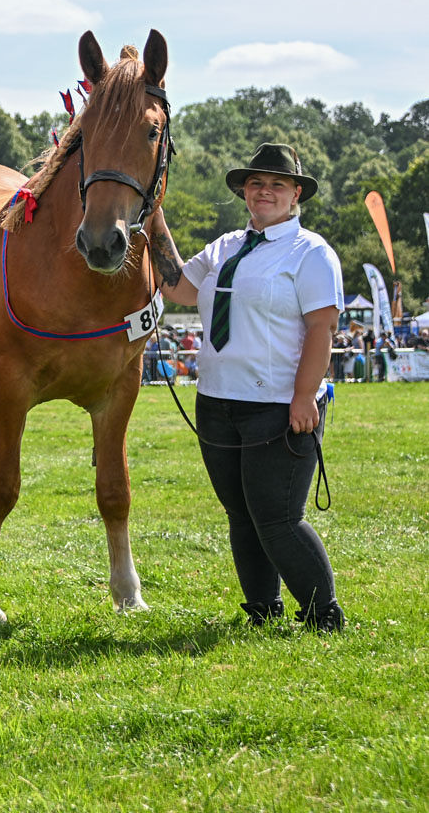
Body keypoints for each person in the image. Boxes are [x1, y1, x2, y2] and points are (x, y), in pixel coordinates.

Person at [151, 143, 344, 631]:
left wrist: (305, 396)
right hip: (217, 401)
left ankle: (325, 615)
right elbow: (176, 286)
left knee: (277, 518)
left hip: (278, 404)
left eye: (277, 184)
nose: (265, 191)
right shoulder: (225, 246)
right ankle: (262, 607)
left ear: (296, 193)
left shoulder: (311, 252)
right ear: (244, 192)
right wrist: (152, 219)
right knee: (240, 513)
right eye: (256, 183)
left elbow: (322, 327)